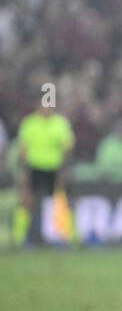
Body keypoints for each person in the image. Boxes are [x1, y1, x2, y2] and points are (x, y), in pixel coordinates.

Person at [15, 104, 76, 246]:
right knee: (31, 203)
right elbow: (23, 149)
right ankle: (27, 237)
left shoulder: (60, 123)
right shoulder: (29, 123)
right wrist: (25, 172)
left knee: (56, 203)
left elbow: (67, 148)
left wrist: (64, 170)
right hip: (34, 168)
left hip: (54, 168)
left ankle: (59, 236)